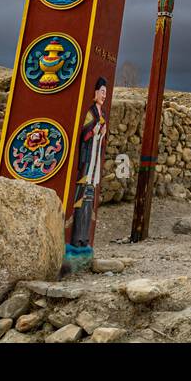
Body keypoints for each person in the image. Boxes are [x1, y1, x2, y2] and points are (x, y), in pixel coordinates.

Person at [65, 77, 108, 268]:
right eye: (102, 92)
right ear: (95, 93)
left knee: (89, 199)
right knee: (81, 198)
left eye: (106, 92)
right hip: (87, 159)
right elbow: (85, 133)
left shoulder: (102, 112)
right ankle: (76, 238)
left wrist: (101, 131)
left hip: (95, 159)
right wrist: (95, 129)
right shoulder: (91, 112)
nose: (104, 96)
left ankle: (84, 238)